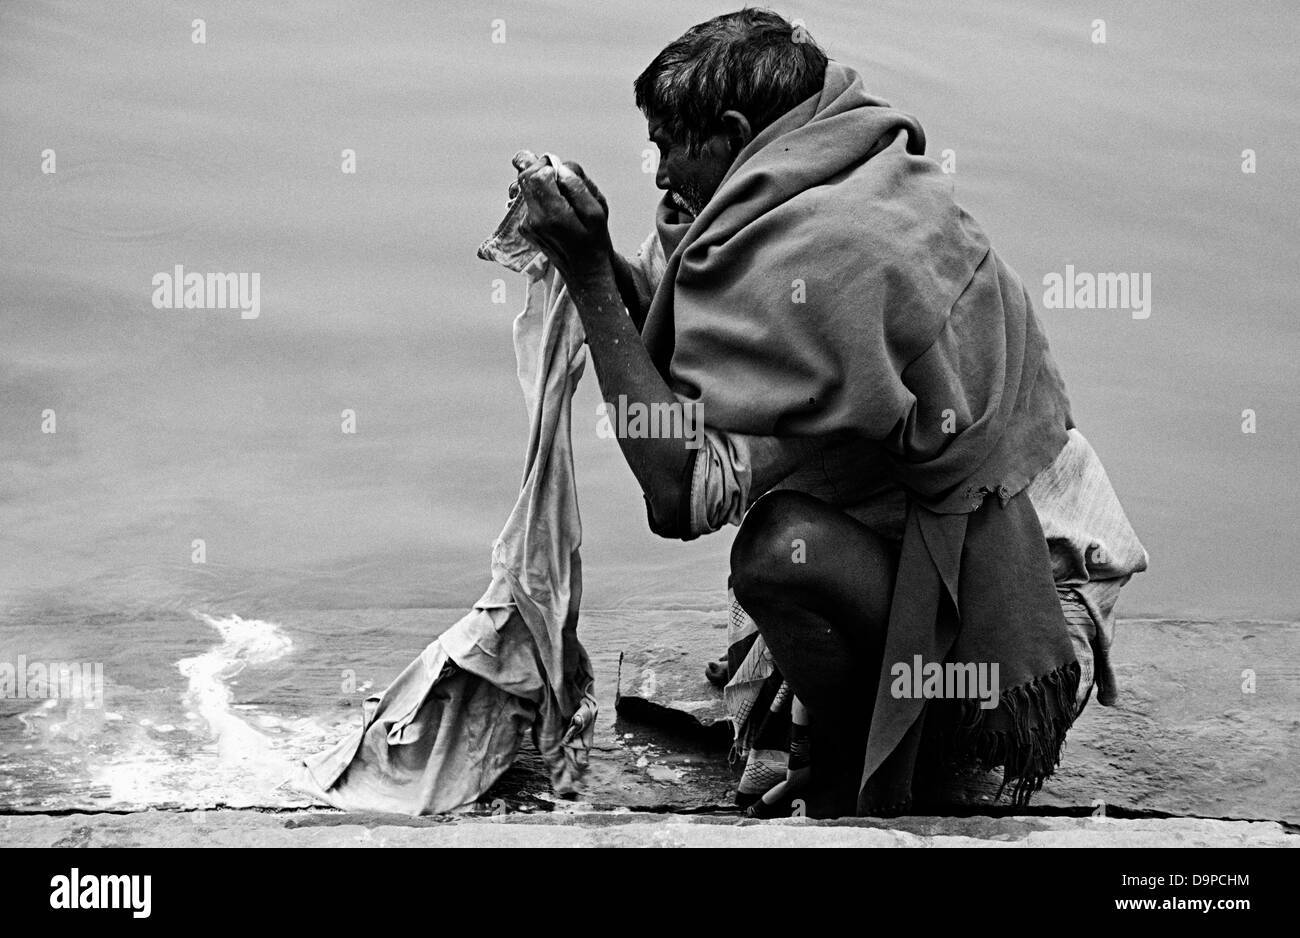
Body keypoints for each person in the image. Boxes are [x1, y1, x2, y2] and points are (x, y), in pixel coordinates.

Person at [514, 8, 1147, 817]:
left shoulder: (836, 258)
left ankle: (853, 767)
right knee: (792, 550)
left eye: (669, 144)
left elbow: (680, 495)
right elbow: (680, 328)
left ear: (736, 133)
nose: (660, 170)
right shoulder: (807, 179)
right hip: (919, 542)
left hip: (1015, 616)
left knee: (778, 554)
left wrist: (589, 279)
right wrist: (596, 252)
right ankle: (843, 716)